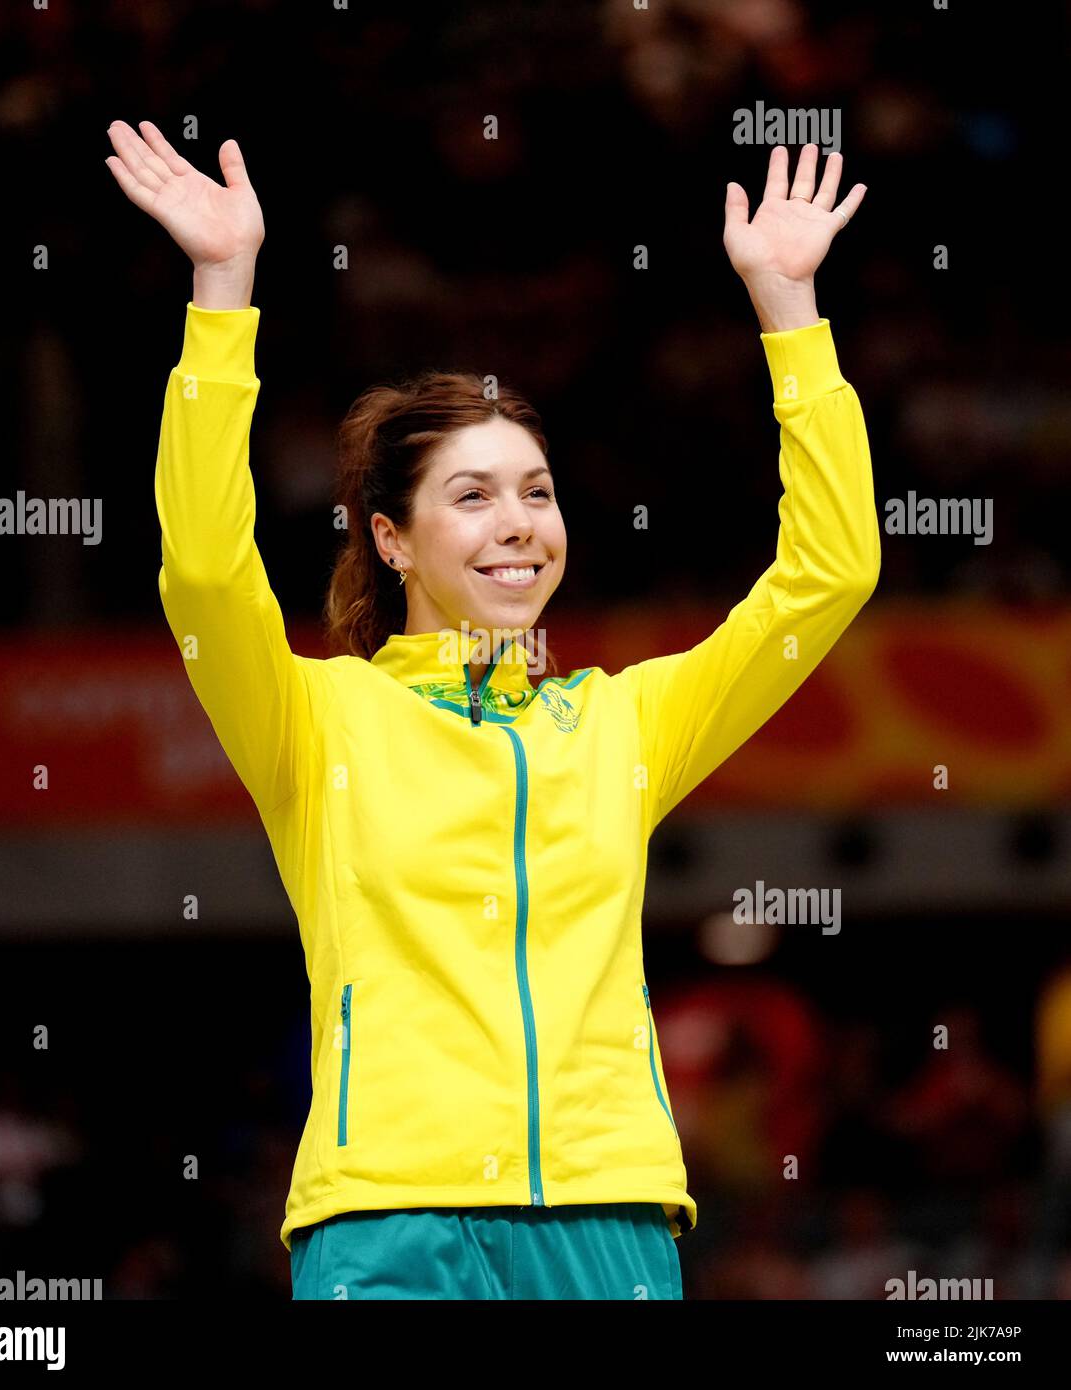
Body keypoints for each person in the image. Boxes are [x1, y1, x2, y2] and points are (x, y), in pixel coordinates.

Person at [105, 120, 877, 1300]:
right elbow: (204, 573)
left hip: (606, 1216)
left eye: (536, 491)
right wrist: (223, 291)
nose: (517, 522)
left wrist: (790, 313)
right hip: (388, 1219)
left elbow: (830, 573)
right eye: (469, 496)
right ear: (389, 537)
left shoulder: (623, 725)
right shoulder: (315, 723)